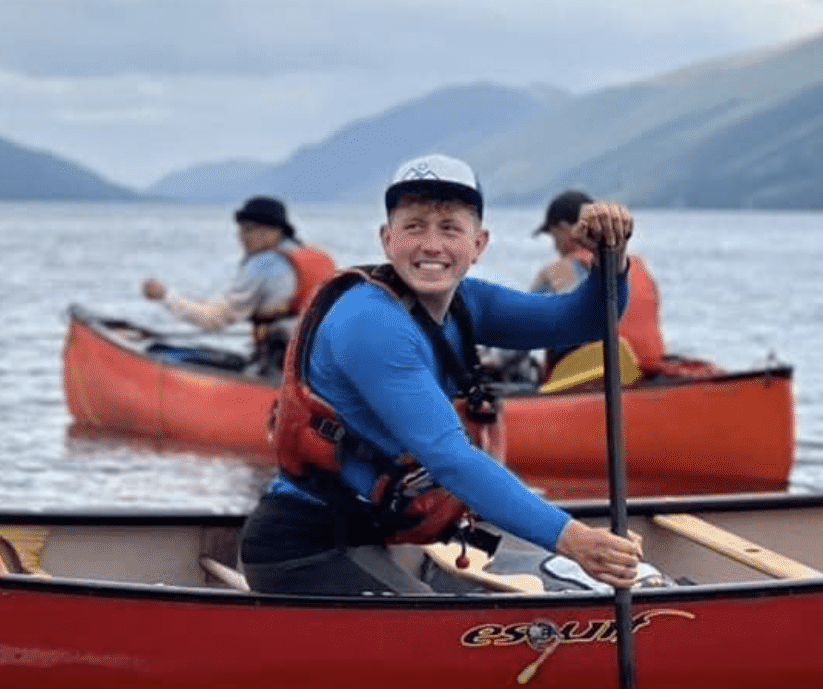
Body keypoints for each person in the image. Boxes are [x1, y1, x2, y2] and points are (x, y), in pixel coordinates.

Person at [237, 154, 644, 596]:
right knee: (452, 622)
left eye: (450, 228)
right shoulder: (370, 322)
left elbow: (580, 320)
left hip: (373, 538)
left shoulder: (467, 303)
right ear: (387, 239)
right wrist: (574, 539)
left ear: (479, 243)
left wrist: (611, 258)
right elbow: (449, 457)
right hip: (305, 550)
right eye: (414, 226)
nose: (431, 244)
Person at [142, 196, 336, 372]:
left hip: (284, 367)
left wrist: (165, 296)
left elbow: (213, 319)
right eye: (241, 229)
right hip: (321, 366)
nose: (240, 237)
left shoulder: (264, 265)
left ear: (272, 231)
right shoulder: (317, 256)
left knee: (162, 353)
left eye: (248, 229)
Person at [531, 189, 666, 377]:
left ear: (564, 228)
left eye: (554, 236)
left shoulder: (557, 273)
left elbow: (520, 334)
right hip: (648, 374)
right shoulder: (638, 266)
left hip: (596, 377)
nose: (555, 246)